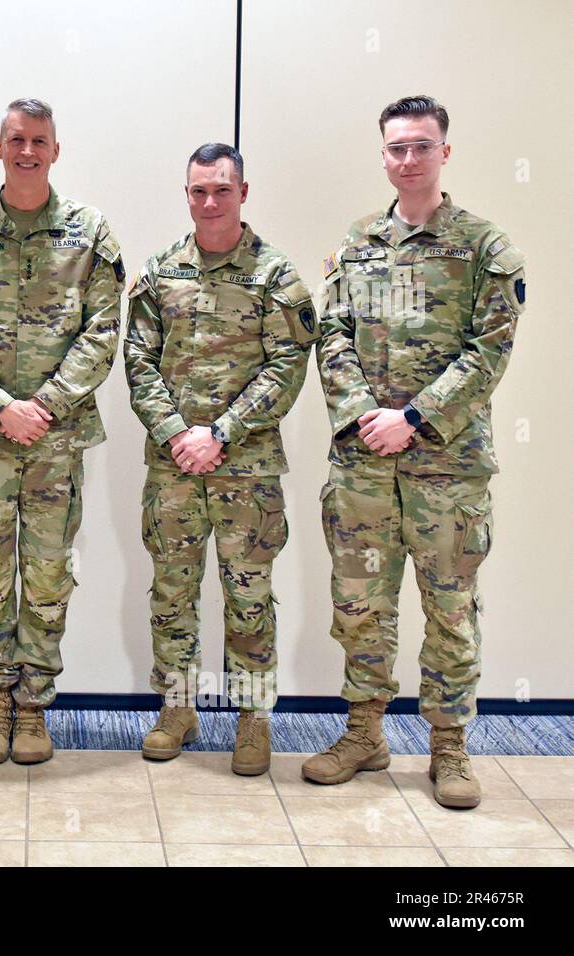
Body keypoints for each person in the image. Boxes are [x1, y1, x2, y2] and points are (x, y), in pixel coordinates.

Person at [306, 95, 525, 809]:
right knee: (361, 603)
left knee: (450, 607)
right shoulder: (355, 243)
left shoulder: (485, 249)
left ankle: (450, 749)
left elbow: (488, 352)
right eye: (396, 147)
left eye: (421, 146)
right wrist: (366, 415)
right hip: (364, 464)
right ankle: (364, 733)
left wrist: (414, 418)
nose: (408, 159)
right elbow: (329, 336)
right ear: (384, 155)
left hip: (446, 469)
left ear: (445, 153)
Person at [0, 98, 122, 765]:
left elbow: (103, 331)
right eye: (16, 139)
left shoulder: (89, 233)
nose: (27, 151)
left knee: (45, 573)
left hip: (56, 439)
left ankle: (35, 703)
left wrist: (47, 402)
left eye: (39, 140)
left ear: (55, 150)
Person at [125, 143, 317, 775]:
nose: (209, 201)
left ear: (243, 192)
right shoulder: (159, 273)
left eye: (221, 190)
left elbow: (288, 365)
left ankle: (253, 719)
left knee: (249, 595)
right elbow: (138, 360)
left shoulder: (275, 275)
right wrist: (179, 432)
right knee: (172, 592)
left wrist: (223, 432)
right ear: (187, 194)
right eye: (198, 190)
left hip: (248, 469)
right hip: (174, 466)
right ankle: (177, 708)